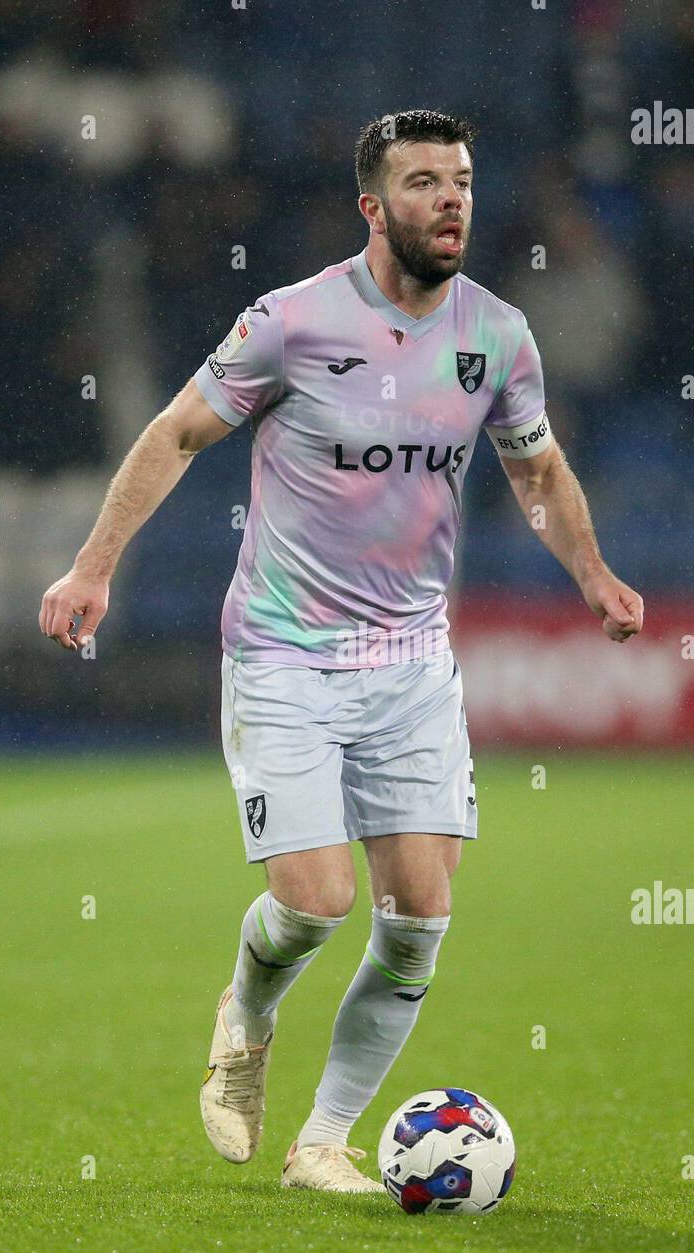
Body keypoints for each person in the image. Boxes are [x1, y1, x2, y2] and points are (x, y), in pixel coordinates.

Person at [39, 110, 644, 1194]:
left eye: (461, 179)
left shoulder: (497, 335)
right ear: (373, 207)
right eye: (422, 183)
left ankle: (324, 1140)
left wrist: (593, 578)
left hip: (411, 663)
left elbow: (539, 472)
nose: (450, 198)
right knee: (316, 900)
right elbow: (177, 430)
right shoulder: (291, 321)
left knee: (418, 917)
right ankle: (247, 1017)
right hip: (282, 651)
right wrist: (94, 567)